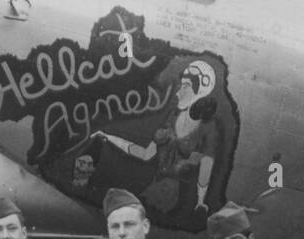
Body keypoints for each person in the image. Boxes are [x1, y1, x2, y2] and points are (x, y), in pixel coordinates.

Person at [92, 59, 220, 218]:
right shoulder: (173, 116)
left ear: (199, 90)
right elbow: (145, 154)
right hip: (152, 188)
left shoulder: (208, 127)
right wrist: (109, 137)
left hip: (169, 196)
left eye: (185, 86)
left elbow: (207, 164)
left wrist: (200, 201)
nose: (178, 92)